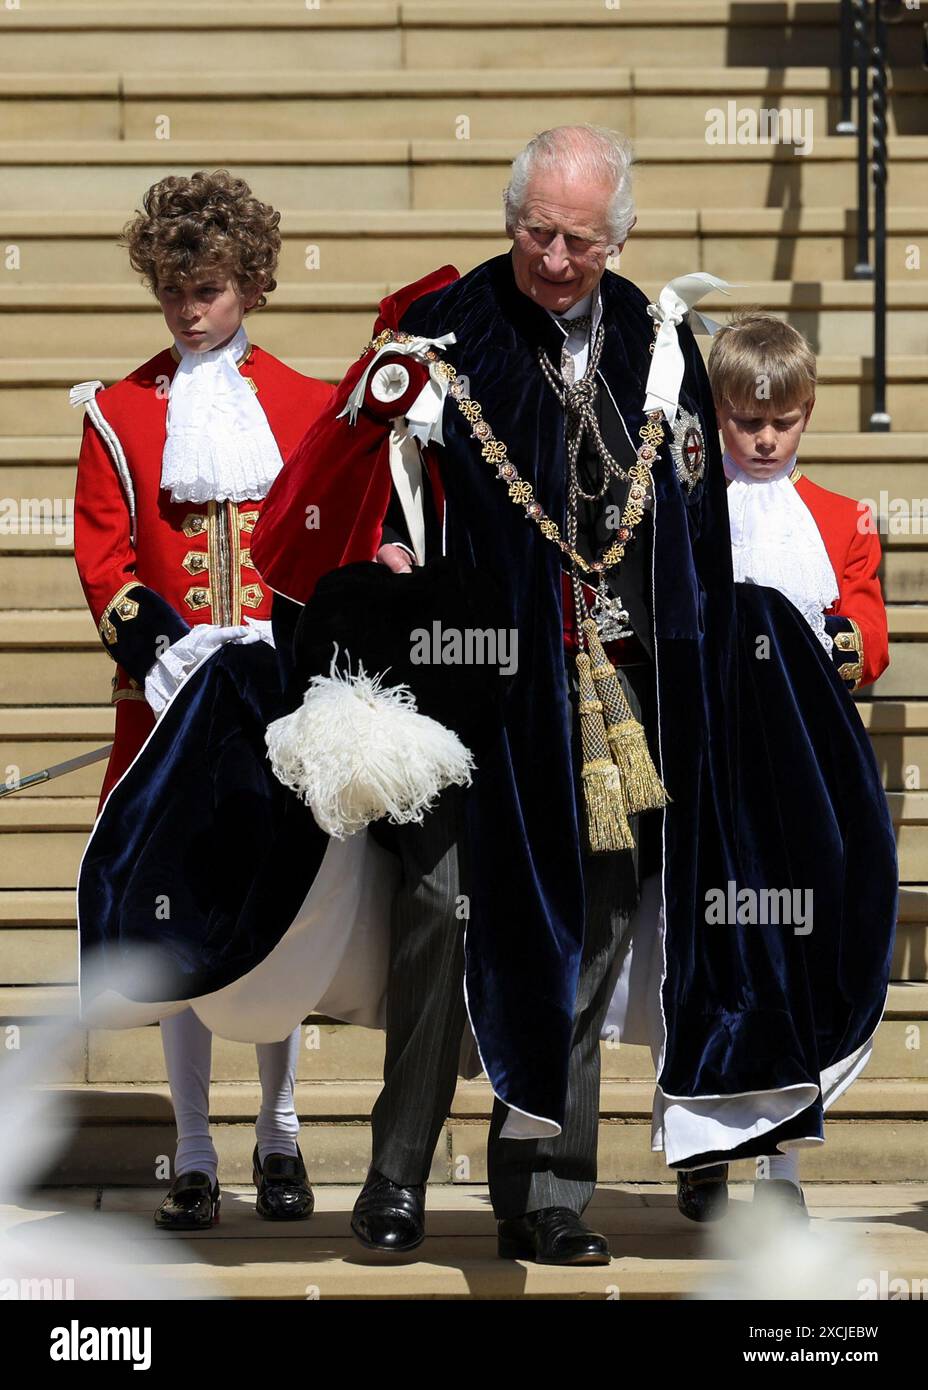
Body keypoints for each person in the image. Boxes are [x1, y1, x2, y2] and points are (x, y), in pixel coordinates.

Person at [251, 125, 898, 1262]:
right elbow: (349, 490)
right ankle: (397, 1170)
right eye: (536, 232)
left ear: (619, 236)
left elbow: (693, 525)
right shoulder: (446, 332)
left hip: (620, 697)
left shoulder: (657, 337)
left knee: (592, 930)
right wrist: (387, 562)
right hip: (471, 686)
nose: (553, 258)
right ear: (512, 220)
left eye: (579, 240)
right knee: (448, 908)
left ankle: (546, 1187)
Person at [71, 169, 333, 1230]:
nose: (191, 309)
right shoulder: (118, 409)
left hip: (274, 703)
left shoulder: (315, 405)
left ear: (253, 285)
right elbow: (101, 557)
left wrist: (293, 636)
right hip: (167, 707)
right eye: (176, 289)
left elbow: (330, 545)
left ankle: (278, 1132)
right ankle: (190, 1147)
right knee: (177, 916)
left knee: (272, 913)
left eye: (213, 288)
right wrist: (162, 655)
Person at [669, 311, 890, 1222]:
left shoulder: (841, 519)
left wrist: (825, 640)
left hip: (810, 779)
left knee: (799, 963)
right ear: (715, 412)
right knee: (700, 964)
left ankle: (782, 1169)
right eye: (744, 419)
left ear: (807, 415)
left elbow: (870, 636)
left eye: (782, 421)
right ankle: (703, 1155)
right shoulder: (686, 511)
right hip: (711, 774)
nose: (763, 439)